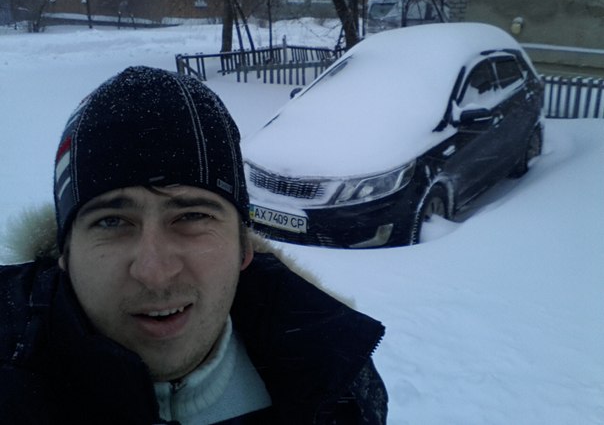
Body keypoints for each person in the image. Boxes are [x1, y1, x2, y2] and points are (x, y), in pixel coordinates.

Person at [0, 66, 388, 425]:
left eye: (192, 216)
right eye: (111, 221)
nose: (154, 272)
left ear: (243, 247)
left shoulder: (337, 384)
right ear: (65, 252)